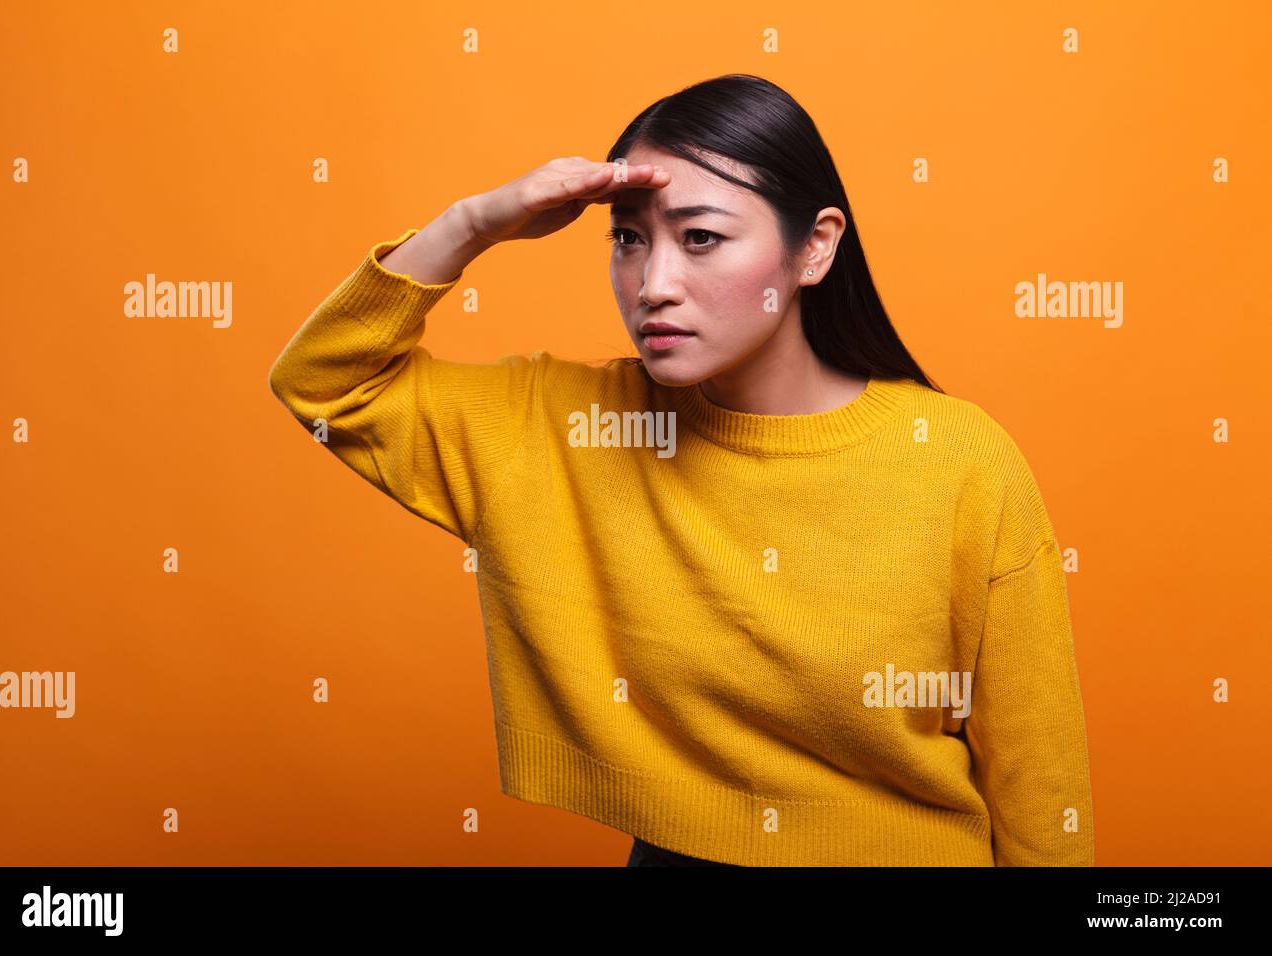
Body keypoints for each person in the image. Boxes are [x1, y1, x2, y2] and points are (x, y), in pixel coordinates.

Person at [268, 73, 1095, 867]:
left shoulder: (957, 461)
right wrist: (473, 222)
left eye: (700, 238)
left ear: (814, 248)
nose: (653, 284)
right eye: (628, 239)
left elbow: (1038, 775)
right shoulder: (562, 429)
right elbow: (325, 386)